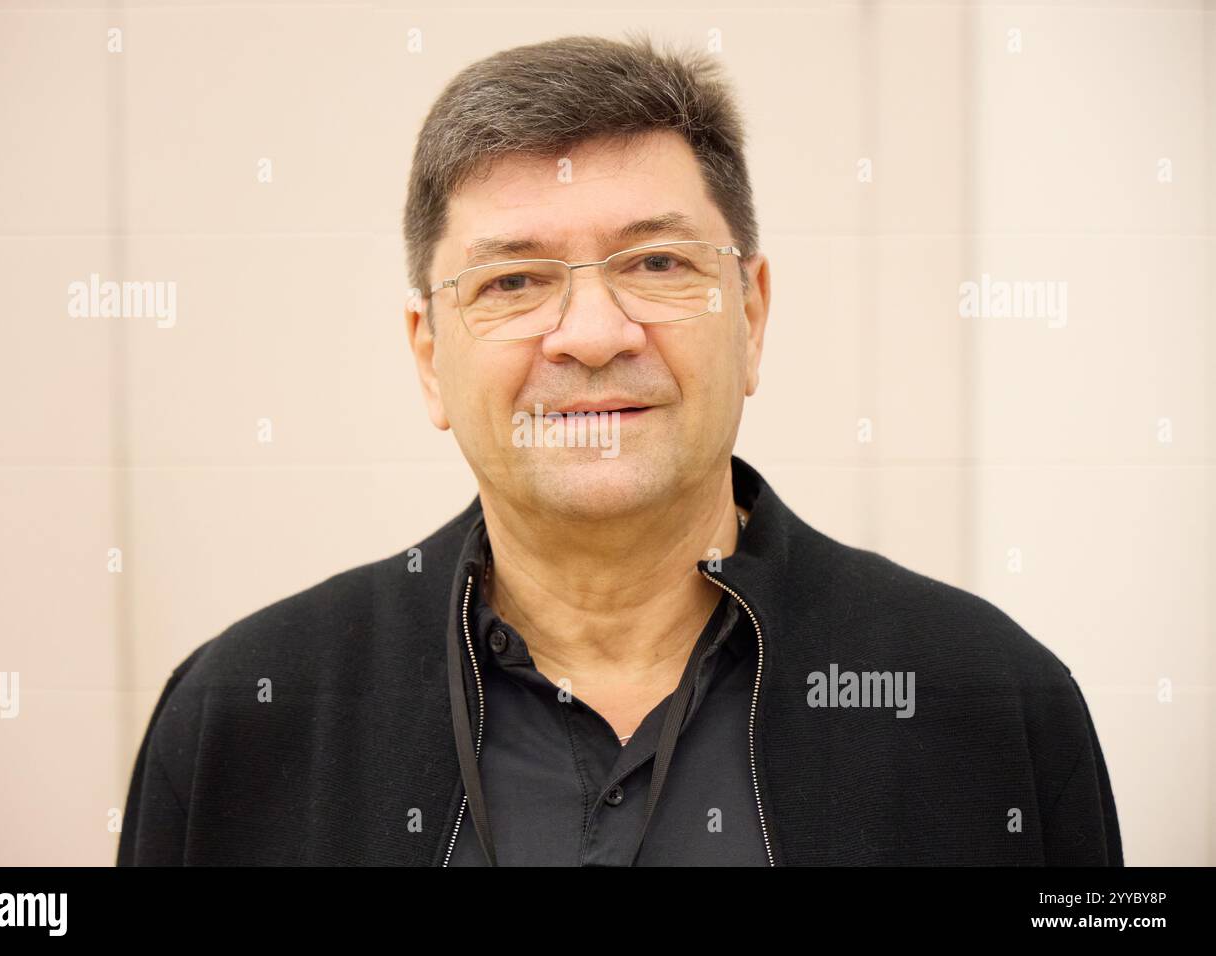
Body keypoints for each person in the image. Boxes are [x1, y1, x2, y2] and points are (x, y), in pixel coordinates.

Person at [117, 33, 1122, 867]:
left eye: (656, 262)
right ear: (429, 354)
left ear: (752, 314)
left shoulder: (989, 703)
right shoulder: (244, 719)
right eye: (512, 281)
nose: (593, 333)